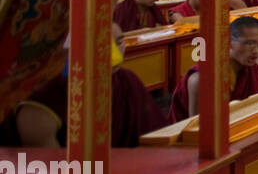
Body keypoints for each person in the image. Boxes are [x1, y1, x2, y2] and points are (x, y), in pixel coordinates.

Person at [2, 24, 164, 147]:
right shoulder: (42, 102)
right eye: (103, 45)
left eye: (119, 42)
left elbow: (156, 134)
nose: (116, 56)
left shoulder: (126, 80)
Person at [170, 16, 258, 122]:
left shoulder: (251, 68)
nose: (256, 51)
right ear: (228, 42)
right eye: (249, 43)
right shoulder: (201, 79)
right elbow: (198, 128)